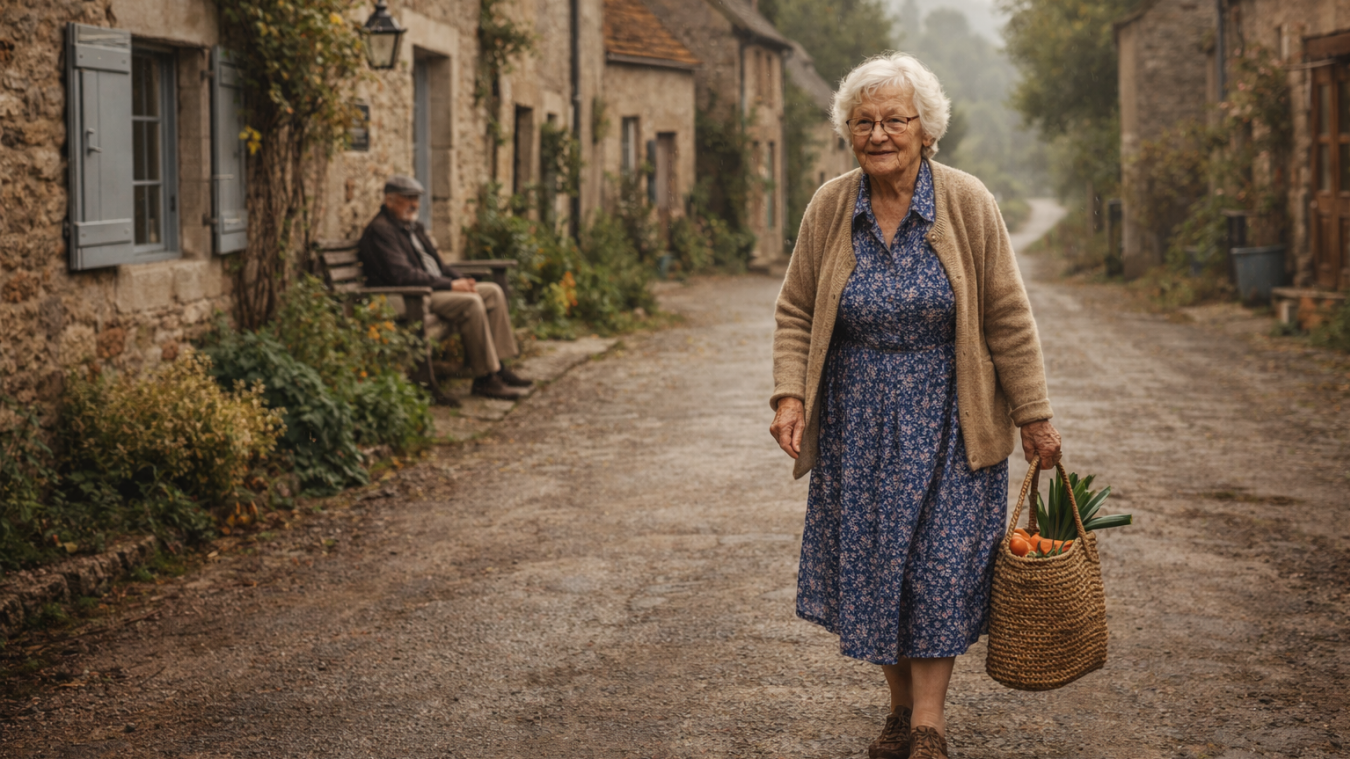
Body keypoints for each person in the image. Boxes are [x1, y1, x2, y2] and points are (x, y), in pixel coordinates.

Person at [768, 53, 1062, 759]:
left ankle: (928, 723)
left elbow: (1007, 316)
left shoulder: (967, 202)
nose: (878, 134)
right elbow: (797, 308)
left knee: (940, 565)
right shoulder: (831, 207)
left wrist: (1034, 413)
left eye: (894, 120)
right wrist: (789, 393)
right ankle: (897, 707)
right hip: (857, 419)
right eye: (862, 121)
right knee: (875, 570)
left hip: (954, 420)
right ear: (849, 131)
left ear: (925, 129)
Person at [357, 175, 531, 403]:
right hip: (409, 296)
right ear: (390, 201)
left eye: (416, 199)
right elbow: (403, 276)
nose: (415, 204)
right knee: (472, 303)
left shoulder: (414, 228)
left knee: (492, 292)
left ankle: (498, 367)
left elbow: (440, 265)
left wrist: (462, 282)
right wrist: (451, 285)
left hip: (433, 288)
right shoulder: (381, 231)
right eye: (408, 199)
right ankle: (486, 379)